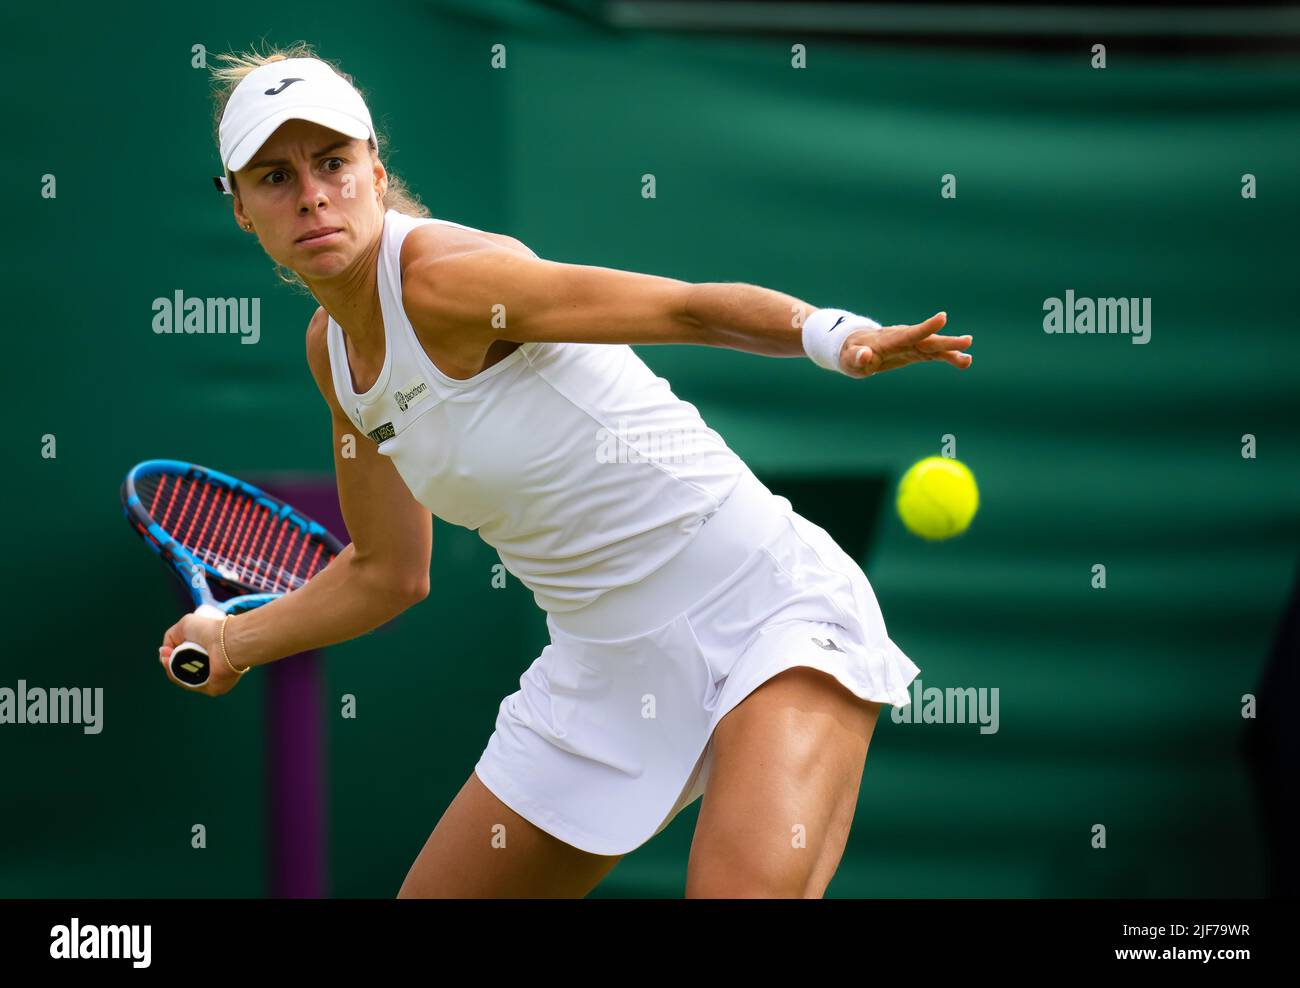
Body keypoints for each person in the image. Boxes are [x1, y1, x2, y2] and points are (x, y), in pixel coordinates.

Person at [160, 44, 974, 898]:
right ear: (243, 209)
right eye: (275, 177)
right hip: (600, 672)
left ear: (375, 166)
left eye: (333, 163)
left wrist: (834, 334)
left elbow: (683, 305)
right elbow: (386, 572)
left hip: (767, 609)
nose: (314, 195)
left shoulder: (450, 283)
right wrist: (235, 639)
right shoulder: (333, 357)